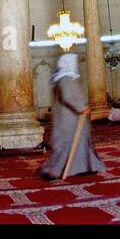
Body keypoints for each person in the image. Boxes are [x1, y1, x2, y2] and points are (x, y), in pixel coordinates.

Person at [39, 53, 104, 181]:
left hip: (72, 119)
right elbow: (69, 96)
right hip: (70, 120)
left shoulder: (61, 79)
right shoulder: (66, 79)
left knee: (80, 144)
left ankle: (85, 167)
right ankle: (52, 171)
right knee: (67, 145)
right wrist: (82, 107)